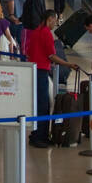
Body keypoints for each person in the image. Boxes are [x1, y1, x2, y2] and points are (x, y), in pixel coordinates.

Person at [25, 10, 66, 147]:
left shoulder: (36, 32)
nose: (55, 24)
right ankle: (39, 137)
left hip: (33, 70)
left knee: (38, 104)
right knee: (43, 105)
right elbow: (51, 56)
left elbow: (29, 52)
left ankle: (37, 134)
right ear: (50, 19)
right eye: (55, 21)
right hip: (41, 71)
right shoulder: (46, 33)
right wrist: (67, 64)